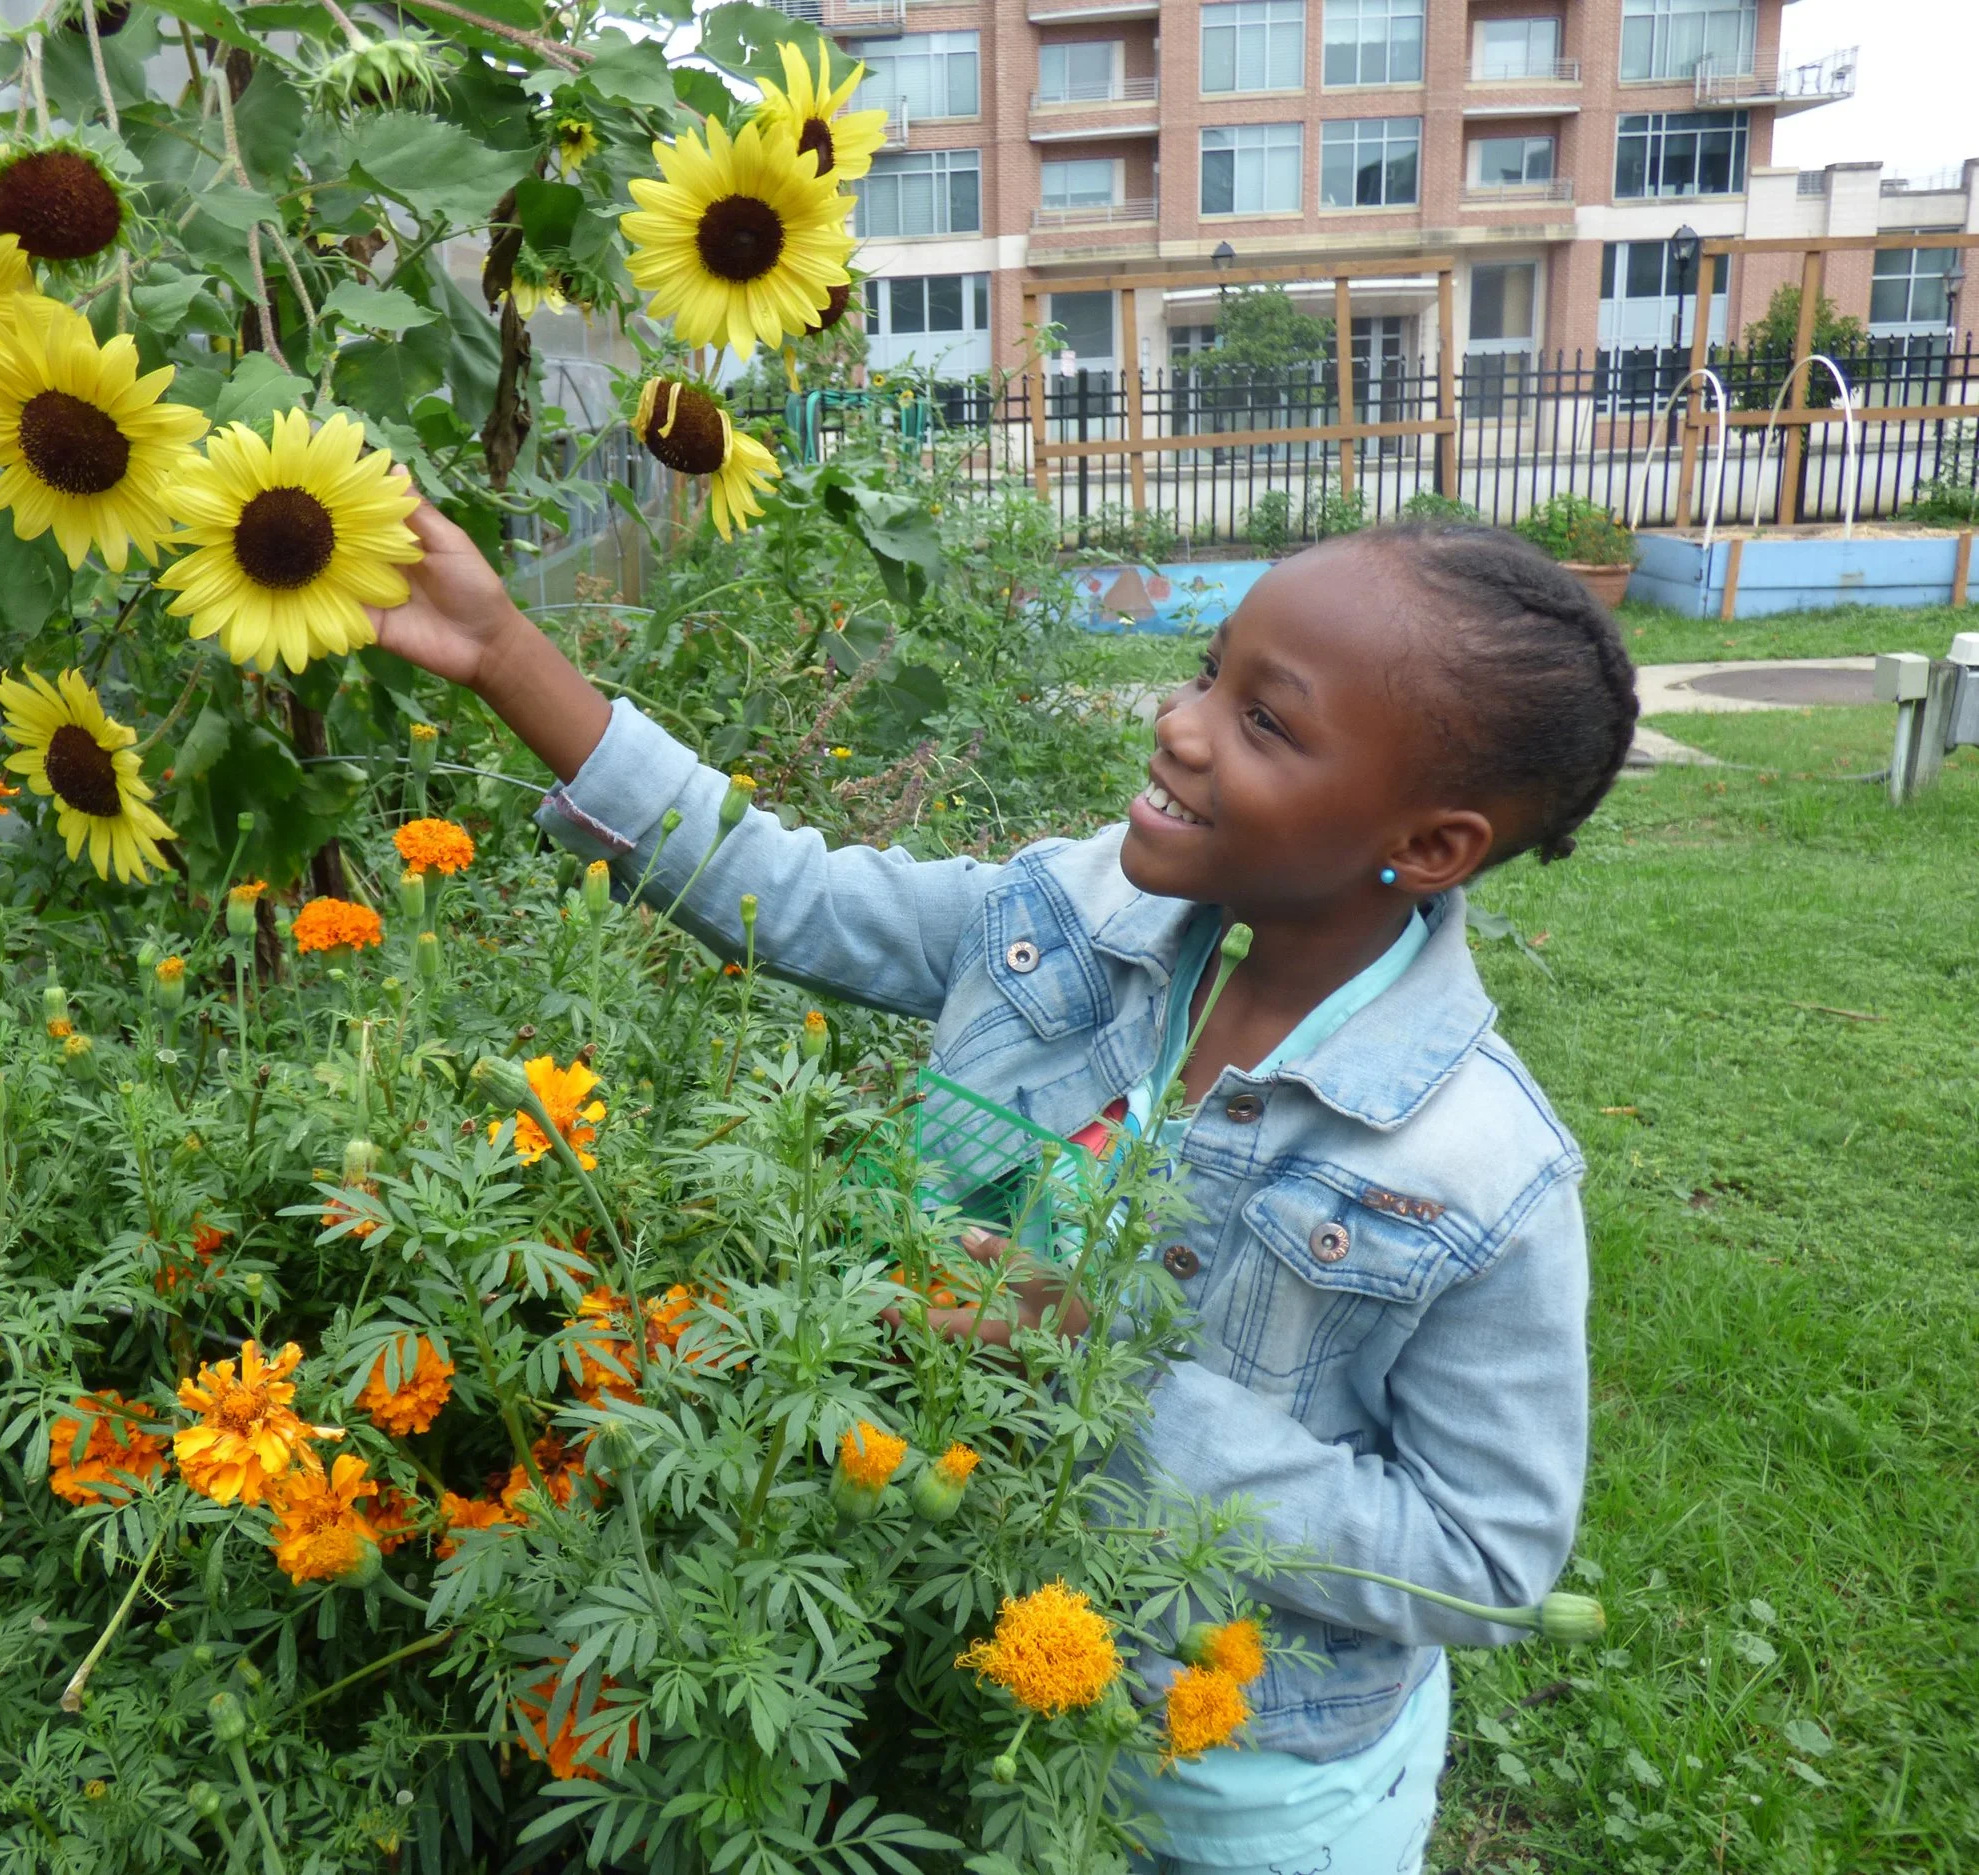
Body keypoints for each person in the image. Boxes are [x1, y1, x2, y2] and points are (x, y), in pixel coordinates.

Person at [371, 506, 1636, 1875]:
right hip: (960, 1651)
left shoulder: (1476, 1172)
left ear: (1432, 844)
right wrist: (504, 651)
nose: (1180, 722)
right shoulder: (1069, 916)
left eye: (1267, 723)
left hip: (1233, 1774)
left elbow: (1486, 1556)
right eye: (1209, 670)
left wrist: (1101, 1372)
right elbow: (776, 887)